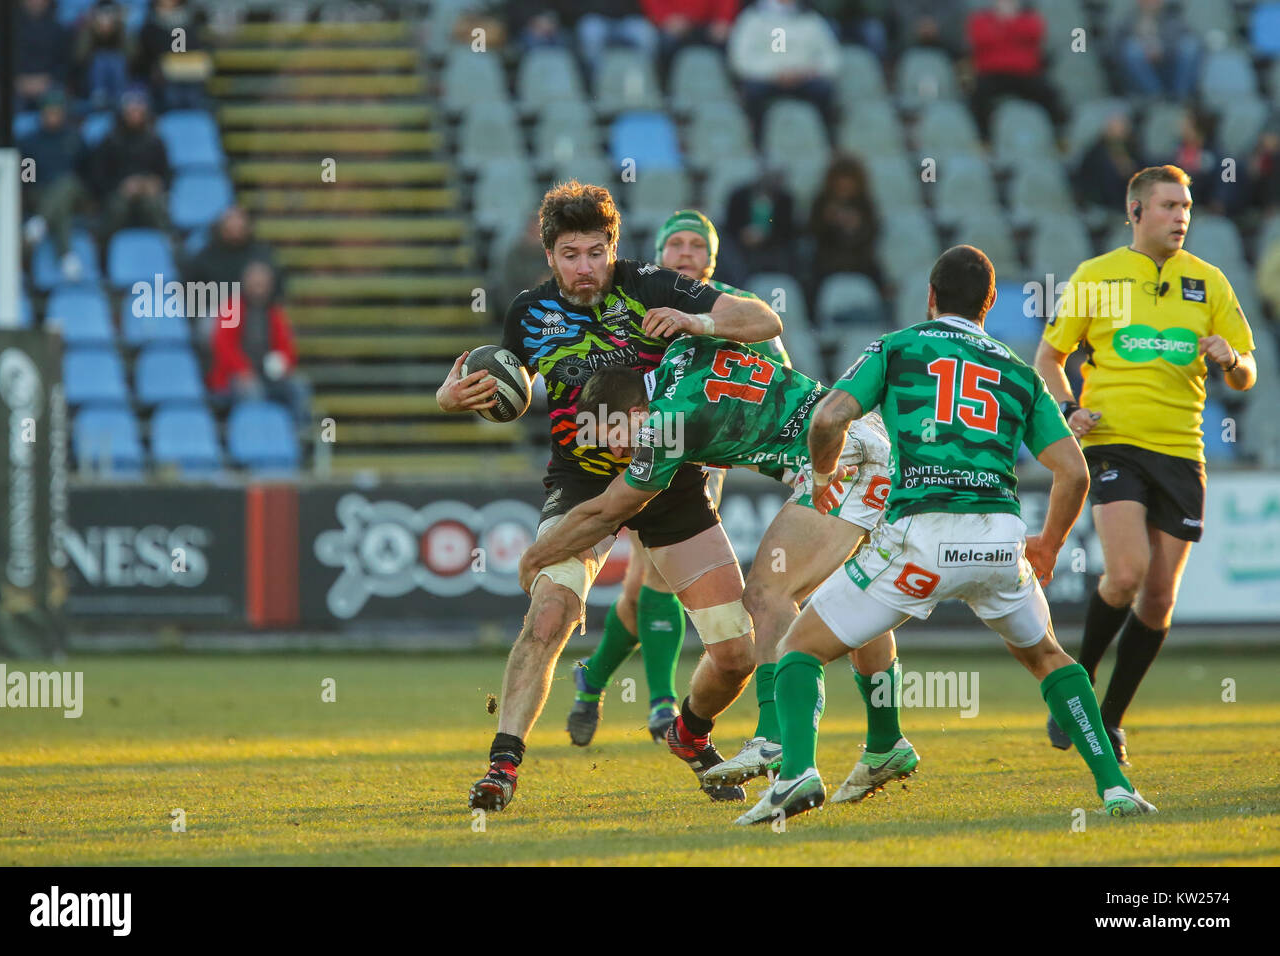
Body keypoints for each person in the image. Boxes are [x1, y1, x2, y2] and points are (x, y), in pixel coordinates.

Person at [737, 244, 1158, 826]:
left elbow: (829, 416)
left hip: (922, 540)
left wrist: (827, 474)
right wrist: (1049, 544)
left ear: (930, 297)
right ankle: (1115, 787)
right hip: (999, 544)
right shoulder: (1019, 372)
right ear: (989, 305)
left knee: (798, 649)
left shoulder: (900, 346)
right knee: (1047, 657)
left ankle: (798, 777)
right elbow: (1074, 471)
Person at [436, 181, 784, 811]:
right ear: (549, 255)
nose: (585, 267)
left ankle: (689, 733)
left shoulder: (653, 284)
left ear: (612, 248)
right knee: (549, 614)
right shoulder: (528, 312)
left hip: (668, 474)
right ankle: (502, 767)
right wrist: (449, 397)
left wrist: (696, 319)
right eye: (571, 254)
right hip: (580, 481)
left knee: (736, 652)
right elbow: (498, 381)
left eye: (596, 252)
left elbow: (766, 320)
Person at [524, 328, 919, 804]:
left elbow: (609, 510)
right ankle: (884, 742)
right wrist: (701, 317)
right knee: (853, 598)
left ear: (635, 413)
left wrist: (534, 557)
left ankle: (777, 740)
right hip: (871, 439)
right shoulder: (684, 350)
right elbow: (756, 321)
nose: (620, 454)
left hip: (844, 459)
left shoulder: (665, 424)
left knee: (766, 595)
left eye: (618, 441)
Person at [1034, 165, 1257, 765]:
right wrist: (1066, 409)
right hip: (1116, 443)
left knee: (1158, 599)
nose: (1181, 215)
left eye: (1186, 206)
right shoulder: (1096, 278)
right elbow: (1049, 358)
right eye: (1167, 205)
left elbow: (1247, 374)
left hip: (1183, 452)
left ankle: (1108, 718)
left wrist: (1230, 356)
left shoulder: (1208, 283)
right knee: (1126, 574)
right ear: (1135, 212)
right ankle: (1074, 686)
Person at [566, 209, 791, 749]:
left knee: (645, 582)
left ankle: (594, 677)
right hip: (642, 448)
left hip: (706, 457)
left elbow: (779, 369)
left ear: (711, 260)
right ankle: (663, 701)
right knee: (653, 573)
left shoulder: (733, 310)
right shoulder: (640, 305)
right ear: (661, 255)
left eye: (698, 245)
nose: (686, 253)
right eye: (676, 244)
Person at [209, 261, 311, 427]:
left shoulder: (275, 312)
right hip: (235, 377)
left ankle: (297, 438)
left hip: (269, 375)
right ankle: (257, 439)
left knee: (299, 386)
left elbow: (287, 347)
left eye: (263, 284)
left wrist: (283, 366)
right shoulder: (232, 308)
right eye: (255, 284)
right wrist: (243, 371)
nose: (259, 289)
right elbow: (223, 346)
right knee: (252, 391)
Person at [728, 0, 839, 142]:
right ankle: (756, 145)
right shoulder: (753, 18)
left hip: (804, 77)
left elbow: (832, 57)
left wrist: (807, 71)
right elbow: (740, 59)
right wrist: (774, 72)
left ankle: (827, 143)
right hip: (766, 79)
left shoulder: (811, 19)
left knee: (824, 90)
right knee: (752, 92)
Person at [18, 89, 91, 282]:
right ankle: (66, 255)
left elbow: (86, 173)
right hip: (40, 194)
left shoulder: (75, 138)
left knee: (67, 184)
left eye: (56, 112)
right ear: (41, 113)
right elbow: (27, 177)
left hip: (74, 193)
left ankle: (39, 223)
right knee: (60, 207)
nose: (52, 116)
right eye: (49, 112)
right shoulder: (29, 142)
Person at [966, 0, 1060, 138]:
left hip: (1024, 73)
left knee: (1049, 95)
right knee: (978, 98)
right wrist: (1011, 28)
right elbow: (980, 37)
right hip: (992, 73)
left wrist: (1003, 26)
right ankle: (982, 137)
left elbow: (1035, 33)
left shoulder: (1029, 17)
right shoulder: (981, 18)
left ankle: (1056, 134)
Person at [90, 87, 171, 237]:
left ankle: (169, 249)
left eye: (138, 110)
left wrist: (154, 183)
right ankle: (106, 251)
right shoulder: (109, 141)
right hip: (117, 193)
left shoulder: (155, 141)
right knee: (117, 208)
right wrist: (122, 186)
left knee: (155, 205)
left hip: (147, 193)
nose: (135, 115)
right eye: (131, 111)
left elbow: (166, 175)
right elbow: (98, 177)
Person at [808, 153, 881, 300]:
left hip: (860, 260)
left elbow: (872, 232)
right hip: (827, 260)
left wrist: (855, 227)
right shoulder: (821, 202)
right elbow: (812, 231)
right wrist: (828, 221)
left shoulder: (865, 204)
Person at [1112, 0, 1200, 100]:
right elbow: (1115, 47)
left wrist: (1162, 50)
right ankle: (1156, 98)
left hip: (1172, 70)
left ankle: (1182, 97)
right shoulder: (1129, 19)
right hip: (1144, 75)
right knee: (1132, 50)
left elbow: (1188, 38)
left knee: (1190, 45)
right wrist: (1144, 46)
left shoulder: (1173, 16)